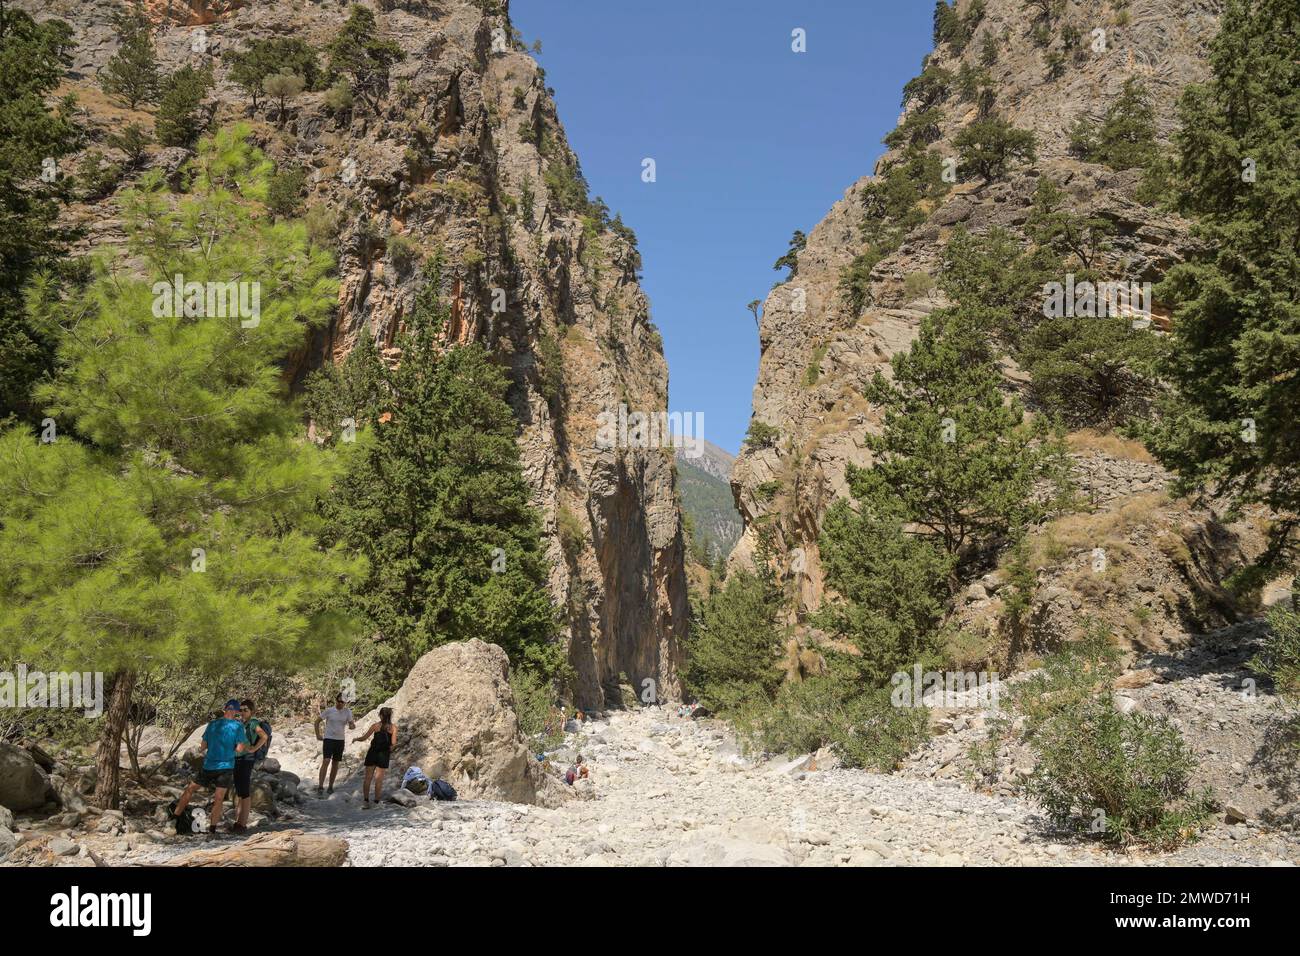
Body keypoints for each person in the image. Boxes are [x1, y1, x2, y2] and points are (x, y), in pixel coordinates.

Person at [173, 699, 249, 833]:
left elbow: (202, 747)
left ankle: (174, 818)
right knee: (218, 799)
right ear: (236, 712)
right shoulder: (238, 727)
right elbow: (239, 749)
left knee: (190, 789)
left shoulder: (212, 724)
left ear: (225, 709)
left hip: (209, 766)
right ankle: (212, 830)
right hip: (226, 767)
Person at [232, 698, 270, 833]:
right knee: (240, 791)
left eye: (245, 710)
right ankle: (238, 822)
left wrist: (253, 749)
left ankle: (242, 824)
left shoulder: (253, 723)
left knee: (244, 791)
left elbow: (264, 736)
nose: (242, 712)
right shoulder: (243, 723)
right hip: (238, 759)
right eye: (240, 710)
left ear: (252, 711)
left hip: (246, 759)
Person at [354, 707, 397, 808]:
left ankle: (366, 801)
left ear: (381, 715)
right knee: (379, 779)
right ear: (389, 716)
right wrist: (389, 749)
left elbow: (364, 737)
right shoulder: (393, 728)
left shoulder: (375, 726)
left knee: (368, 778)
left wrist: (356, 739)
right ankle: (377, 802)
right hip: (384, 754)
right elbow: (394, 743)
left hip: (372, 753)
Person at [314, 693, 355, 795]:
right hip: (329, 738)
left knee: (335, 763)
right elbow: (317, 721)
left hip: (340, 740)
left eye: (343, 702)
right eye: (340, 701)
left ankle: (331, 786)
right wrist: (318, 735)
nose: (341, 704)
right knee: (326, 760)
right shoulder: (329, 711)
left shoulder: (347, 711)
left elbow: (351, 723)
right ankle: (320, 786)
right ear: (336, 700)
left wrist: (352, 725)